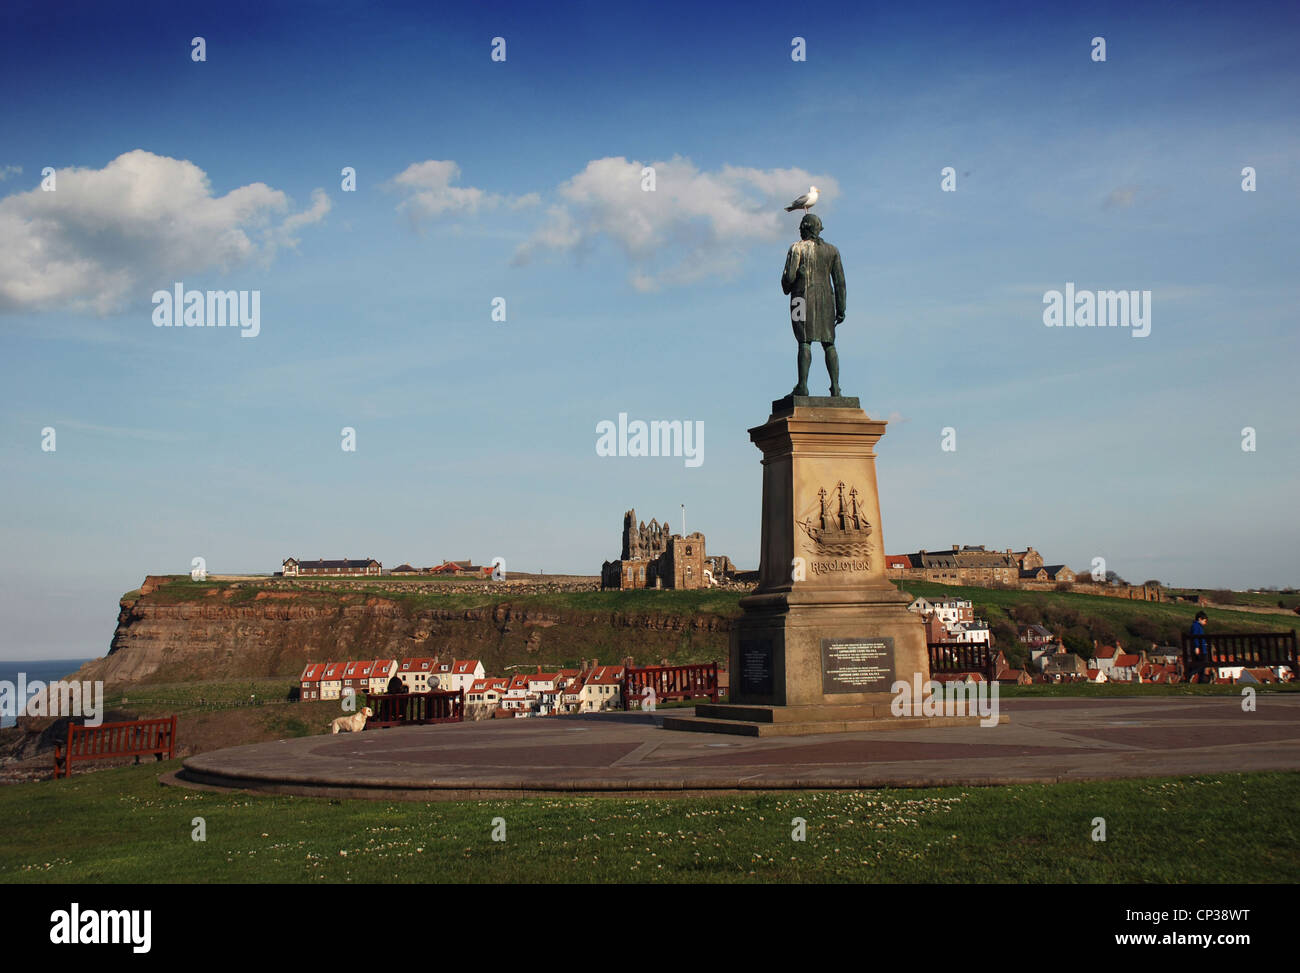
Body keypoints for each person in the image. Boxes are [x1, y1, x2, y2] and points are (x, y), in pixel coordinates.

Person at [782, 213, 846, 397]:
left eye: (801, 226)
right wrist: (841, 307)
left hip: (799, 300)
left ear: (806, 228)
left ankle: (803, 385)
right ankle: (835, 387)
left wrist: (792, 280)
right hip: (827, 300)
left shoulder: (797, 248)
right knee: (829, 343)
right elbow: (840, 282)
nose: (799, 229)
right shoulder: (832, 250)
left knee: (804, 342)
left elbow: (788, 279)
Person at [1189, 611, 1212, 683]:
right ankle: (1191, 673)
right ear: (1199, 619)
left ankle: (1201, 680)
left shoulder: (1197, 626)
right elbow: (1195, 637)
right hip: (1201, 650)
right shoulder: (1196, 626)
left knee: (1202, 665)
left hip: (1202, 648)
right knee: (1203, 663)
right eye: (1204, 621)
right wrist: (1196, 647)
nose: (1205, 623)